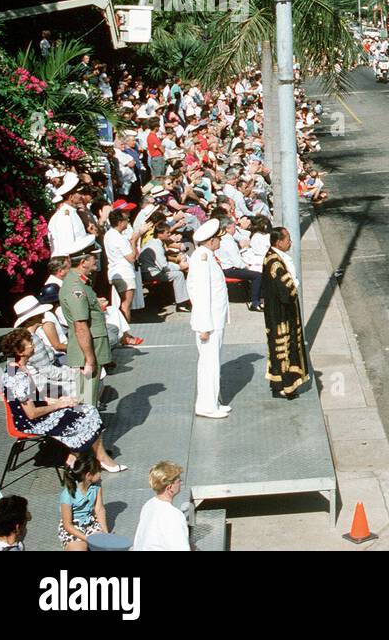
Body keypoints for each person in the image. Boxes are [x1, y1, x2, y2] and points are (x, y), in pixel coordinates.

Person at [0, 328, 124, 472]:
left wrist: (54, 401)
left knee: (86, 409)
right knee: (84, 414)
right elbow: (32, 413)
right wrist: (59, 404)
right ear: (20, 352)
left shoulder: (15, 368)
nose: (33, 345)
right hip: (31, 422)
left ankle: (75, 458)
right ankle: (100, 458)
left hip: (33, 415)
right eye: (29, 344)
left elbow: (29, 399)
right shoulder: (17, 376)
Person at [187, 219, 230, 419]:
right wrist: (204, 326)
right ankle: (206, 406)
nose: (220, 241)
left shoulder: (206, 256)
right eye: (218, 238)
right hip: (209, 322)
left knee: (212, 362)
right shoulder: (203, 258)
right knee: (209, 364)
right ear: (211, 241)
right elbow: (202, 294)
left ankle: (213, 401)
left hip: (215, 320)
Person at [261, 227, 310, 399]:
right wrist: (294, 285)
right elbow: (286, 289)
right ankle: (284, 386)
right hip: (279, 315)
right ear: (278, 242)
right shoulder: (274, 263)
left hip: (281, 312)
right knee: (283, 349)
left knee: (284, 348)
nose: (290, 242)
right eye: (288, 239)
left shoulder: (274, 256)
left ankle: (280, 384)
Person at [58, 240, 109, 403]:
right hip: (88, 349)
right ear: (83, 262)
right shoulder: (76, 288)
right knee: (86, 398)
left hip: (90, 347)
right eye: (93, 257)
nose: (96, 260)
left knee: (89, 395)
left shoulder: (81, 282)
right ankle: (87, 427)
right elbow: (80, 326)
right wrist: (89, 358)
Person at [132, 461, 191, 551]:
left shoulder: (149, 505)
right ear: (169, 488)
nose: (181, 483)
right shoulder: (174, 515)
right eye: (179, 481)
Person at [58, 452, 108, 551]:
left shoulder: (97, 486)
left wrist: (105, 532)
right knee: (79, 549)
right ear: (89, 475)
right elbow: (67, 524)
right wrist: (87, 539)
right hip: (74, 527)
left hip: (90, 522)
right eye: (98, 471)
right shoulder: (67, 494)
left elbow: (99, 509)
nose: (100, 473)